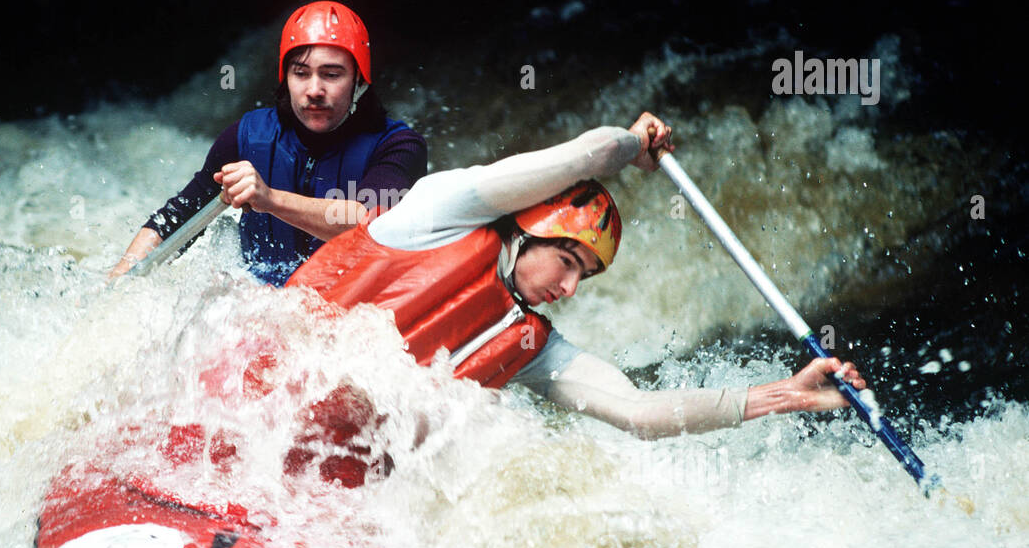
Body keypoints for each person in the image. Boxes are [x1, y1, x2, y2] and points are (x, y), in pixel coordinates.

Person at [285, 112, 866, 439]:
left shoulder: (533, 347)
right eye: (566, 261)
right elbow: (585, 158)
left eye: (583, 276)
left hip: (329, 472)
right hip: (261, 394)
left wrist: (784, 396)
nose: (568, 290)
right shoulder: (440, 213)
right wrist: (636, 144)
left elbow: (639, 414)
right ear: (526, 231)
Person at [109, 1, 428, 285]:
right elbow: (176, 218)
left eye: (331, 75)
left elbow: (367, 223)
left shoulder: (400, 147)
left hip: (352, 304)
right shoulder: (246, 137)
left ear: (359, 80)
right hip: (262, 305)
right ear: (285, 78)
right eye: (301, 73)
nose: (314, 89)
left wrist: (270, 199)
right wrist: (118, 281)